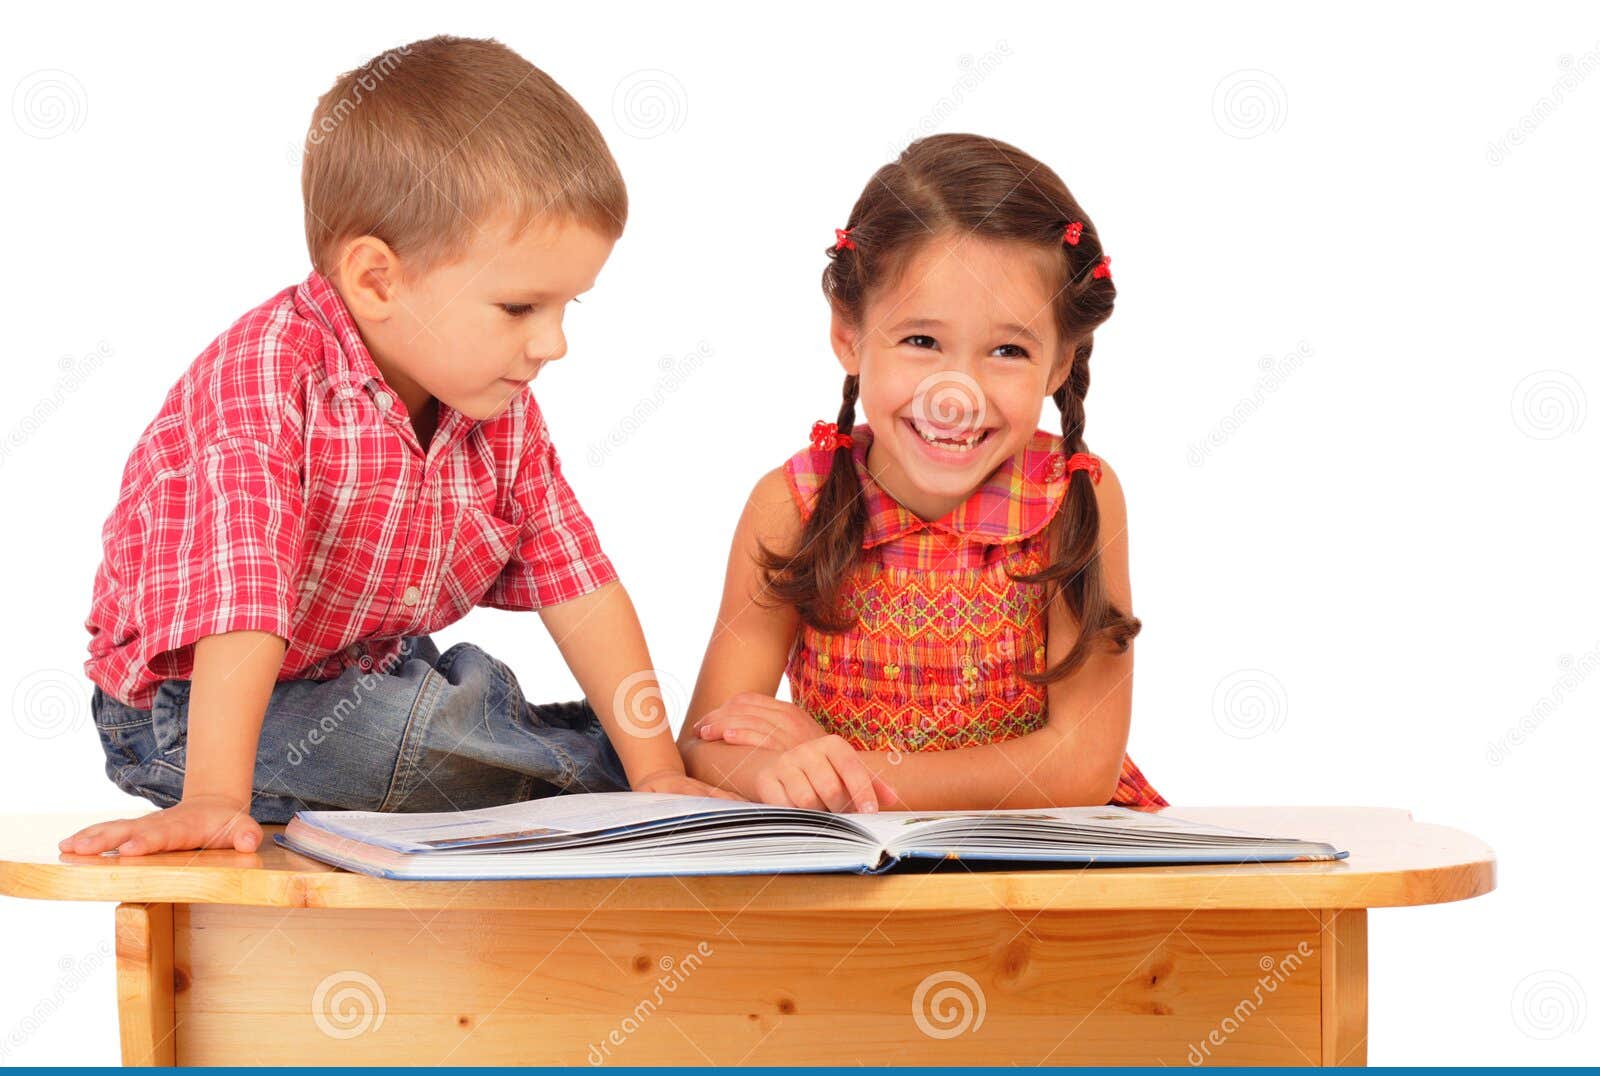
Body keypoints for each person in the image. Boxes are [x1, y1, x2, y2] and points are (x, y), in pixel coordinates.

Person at [64, 35, 738, 860]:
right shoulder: (268, 378)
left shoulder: (495, 406)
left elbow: (581, 584)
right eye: (521, 307)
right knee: (418, 729)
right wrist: (212, 797)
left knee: (443, 704)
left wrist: (657, 766)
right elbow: (244, 598)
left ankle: (628, 766)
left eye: (569, 307)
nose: (554, 343)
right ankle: (595, 766)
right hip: (190, 717)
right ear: (377, 280)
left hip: (364, 682)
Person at [679, 133, 1168, 815]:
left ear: (1059, 363)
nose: (955, 393)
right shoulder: (794, 503)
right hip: (858, 871)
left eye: (1007, 348)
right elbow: (706, 742)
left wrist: (838, 775)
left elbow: (1079, 768)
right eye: (922, 341)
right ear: (850, 333)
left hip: (1051, 870)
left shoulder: (1075, 497)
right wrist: (771, 773)